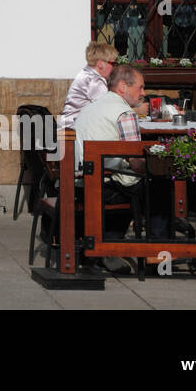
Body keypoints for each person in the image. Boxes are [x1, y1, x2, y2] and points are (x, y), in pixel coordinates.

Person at [73, 64, 147, 251]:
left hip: (80, 182)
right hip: (103, 185)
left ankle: (111, 242)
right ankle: (156, 252)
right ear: (122, 87)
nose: (143, 93)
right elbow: (136, 162)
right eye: (140, 87)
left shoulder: (92, 107)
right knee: (159, 187)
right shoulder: (125, 113)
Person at [60, 41, 119, 129]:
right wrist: (136, 110)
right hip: (73, 132)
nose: (115, 68)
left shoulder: (86, 73)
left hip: (69, 127)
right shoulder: (95, 81)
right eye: (113, 64)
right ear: (100, 64)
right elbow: (108, 111)